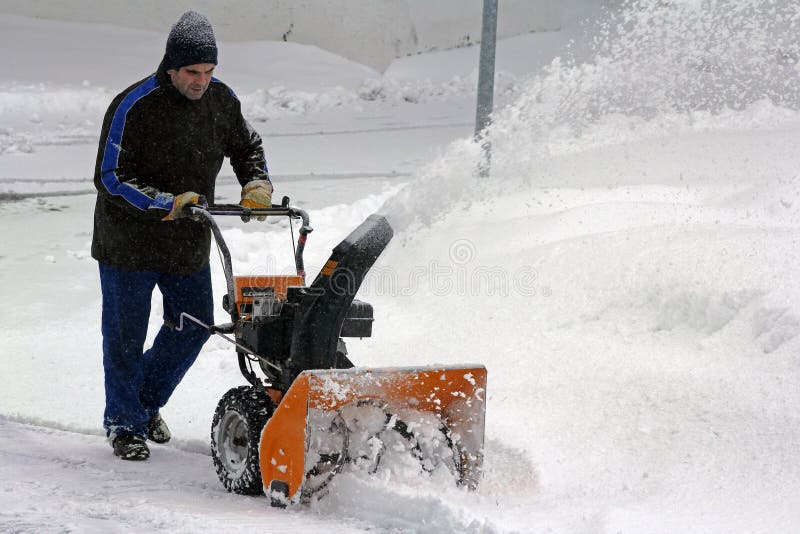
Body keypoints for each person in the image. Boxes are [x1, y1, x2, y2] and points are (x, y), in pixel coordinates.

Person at [91, 11, 273, 460]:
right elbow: (110, 177)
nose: (201, 81)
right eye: (192, 72)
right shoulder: (134, 104)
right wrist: (165, 202)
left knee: (192, 327)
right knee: (125, 339)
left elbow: (247, 146)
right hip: (127, 244)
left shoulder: (221, 101)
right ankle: (124, 424)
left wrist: (256, 183)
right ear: (170, 67)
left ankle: (143, 403)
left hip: (188, 241)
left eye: (209, 72)